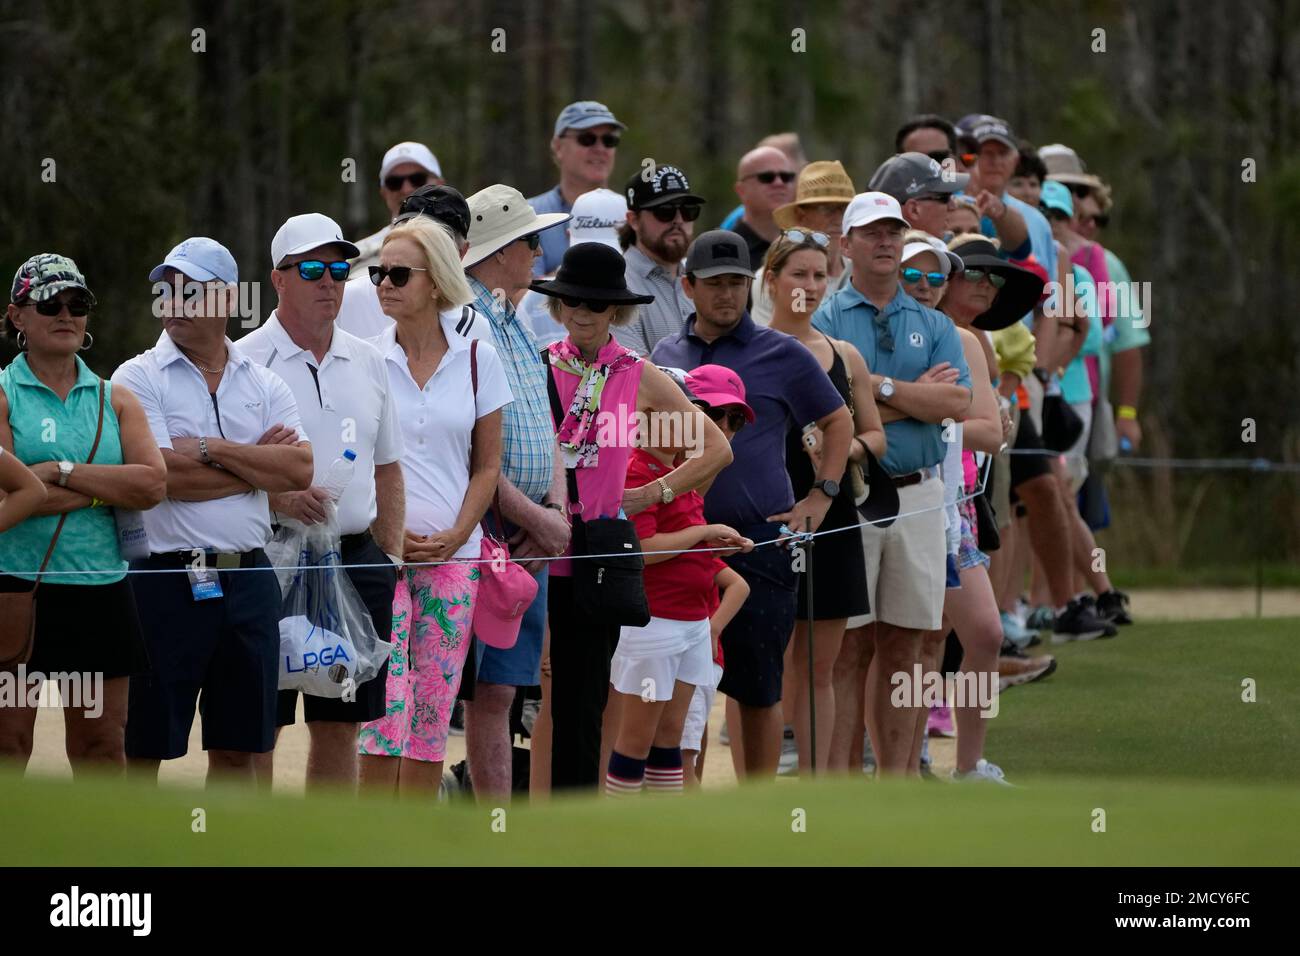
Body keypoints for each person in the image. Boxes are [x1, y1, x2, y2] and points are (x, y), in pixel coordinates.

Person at [113, 238, 314, 786]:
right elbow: (161, 481)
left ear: (226, 298)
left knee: (238, 749)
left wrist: (210, 447)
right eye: (168, 289)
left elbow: (298, 472)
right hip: (163, 581)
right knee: (145, 746)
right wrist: (255, 468)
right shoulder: (137, 377)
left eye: (190, 290)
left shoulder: (264, 379)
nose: (174, 301)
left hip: (249, 579)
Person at [653, 230, 852, 779]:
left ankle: (759, 813)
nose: (727, 295)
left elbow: (838, 421)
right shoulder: (665, 355)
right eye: (714, 284)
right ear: (688, 286)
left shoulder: (782, 353)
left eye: (737, 284)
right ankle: (680, 800)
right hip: (680, 542)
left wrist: (822, 494)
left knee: (757, 684)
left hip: (761, 540)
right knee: (680, 683)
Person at [534, 242, 733, 791]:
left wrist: (654, 494)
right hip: (540, 547)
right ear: (557, 304)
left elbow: (716, 447)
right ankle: (537, 827)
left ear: (615, 312)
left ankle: (580, 825)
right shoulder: (537, 364)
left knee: (591, 696)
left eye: (596, 305)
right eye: (572, 300)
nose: (582, 312)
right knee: (538, 698)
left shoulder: (637, 373)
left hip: (602, 555)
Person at [240, 213, 405, 793]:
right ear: (278, 279)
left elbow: (388, 466)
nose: (329, 281)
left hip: (357, 558)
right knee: (262, 721)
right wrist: (278, 497)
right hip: (269, 559)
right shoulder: (242, 361)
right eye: (312, 268)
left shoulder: (371, 358)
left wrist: (387, 555)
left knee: (341, 723)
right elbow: (223, 470)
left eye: (339, 268)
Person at [810, 193, 974, 777]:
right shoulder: (824, 318)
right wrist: (910, 396)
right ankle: (843, 786)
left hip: (920, 494)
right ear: (846, 243)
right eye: (872, 233)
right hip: (851, 493)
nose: (885, 242)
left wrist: (871, 390)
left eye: (894, 233)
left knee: (909, 646)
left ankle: (898, 786)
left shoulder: (933, 321)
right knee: (848, 647)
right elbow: (827, 415)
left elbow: (956, 402)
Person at [356, 216, 510, 798]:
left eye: (399, 273)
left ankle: (414, 846)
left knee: (432, 708)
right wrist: (388, 536)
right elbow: (356, 464)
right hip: (380, 558)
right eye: (379, 273)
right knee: (382, 706)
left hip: (455, 558)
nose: (385, 284)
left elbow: (487, 466)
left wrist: (456, 534)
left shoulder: (478, 359)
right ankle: (373, 846)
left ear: (438, 282)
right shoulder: (364, 359)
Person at [0, 254, 165, 775]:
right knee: (8, 744)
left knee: (100, 747)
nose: (66, 313)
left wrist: (57, 471)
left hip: (99, 589)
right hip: (16, 587)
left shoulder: (116, 398)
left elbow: (152, 484)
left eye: (78, 304)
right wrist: (105, 488)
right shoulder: (2, 394)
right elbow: (6, 503)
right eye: (49, 303)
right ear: (18, 316)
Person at [460, 184, 573, 801]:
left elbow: (545, 428)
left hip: (527, 530)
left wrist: (552, 511)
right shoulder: (466, 324)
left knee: (503, 687)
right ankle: (489, 823)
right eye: (532, 242)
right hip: (487, 529)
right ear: (501, 251)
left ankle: (496, 823)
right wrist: (539, 516)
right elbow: (470, 451)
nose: (539, 251)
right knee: (484, 688)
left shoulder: (516, 321)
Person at [764, 232, 886, 775]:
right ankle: (762, 781)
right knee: (768, 659)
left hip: (832, 517)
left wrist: (841, 450)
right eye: (798, 275)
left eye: (820, 276)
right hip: (763, 519)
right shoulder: (748, 350)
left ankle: (818, 788)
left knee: (821, 663)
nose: (810, 287)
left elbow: (876, 437)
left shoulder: (844, 356)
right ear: (770, 281)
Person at [606, 369, 753, 796]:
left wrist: (713, 542)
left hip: (691, 621)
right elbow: (645, 549)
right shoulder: (637, 470)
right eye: (675, 414)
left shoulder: (679, 473)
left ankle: (662, 836)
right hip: (655, 622)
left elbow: (682, 542)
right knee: (635, 740)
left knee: (671, 740)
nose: (687, 425)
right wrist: (703, 536)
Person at [337, 184, 478, 341]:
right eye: (409, 230)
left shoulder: (473, 324)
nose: (386, 283)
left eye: (436, 243)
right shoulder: (346, 298)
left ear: (461, 252)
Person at [749, 160, 857, 326]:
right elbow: (768, 342)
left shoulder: (861, 274)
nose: (838, 218)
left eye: (845, 209)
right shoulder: (773, 277)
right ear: (801, 216)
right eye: (826, 209)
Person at [613, 165, 705, 355]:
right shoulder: (616, 285)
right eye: (665, 211)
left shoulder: (705, 280)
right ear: (634, 220)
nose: (679, 220)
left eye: (688, 210)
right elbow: (634, 372)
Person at [528, 101, 626, 276]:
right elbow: (520, 295)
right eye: (587, 139)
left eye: (609, 140)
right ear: (558, 147)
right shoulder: (530, 216)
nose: (600, 149)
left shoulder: (633, 215)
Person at [521, 187, 628, 347]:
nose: (596, 264)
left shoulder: (533, 301)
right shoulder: (533, 302)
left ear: (569, 235)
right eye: (570, 301)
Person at [352, 142, 446, 271]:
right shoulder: (357, 256)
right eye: (394, 182)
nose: (406, 189)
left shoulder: (468, 244)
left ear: (440, 185)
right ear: (383, 192)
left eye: (417, 179)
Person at [730, 146, 799, 267]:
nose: (779, 183)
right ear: (741, 190)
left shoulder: (803, 245)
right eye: (766, 177)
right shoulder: (727, 252)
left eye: (786, 177)